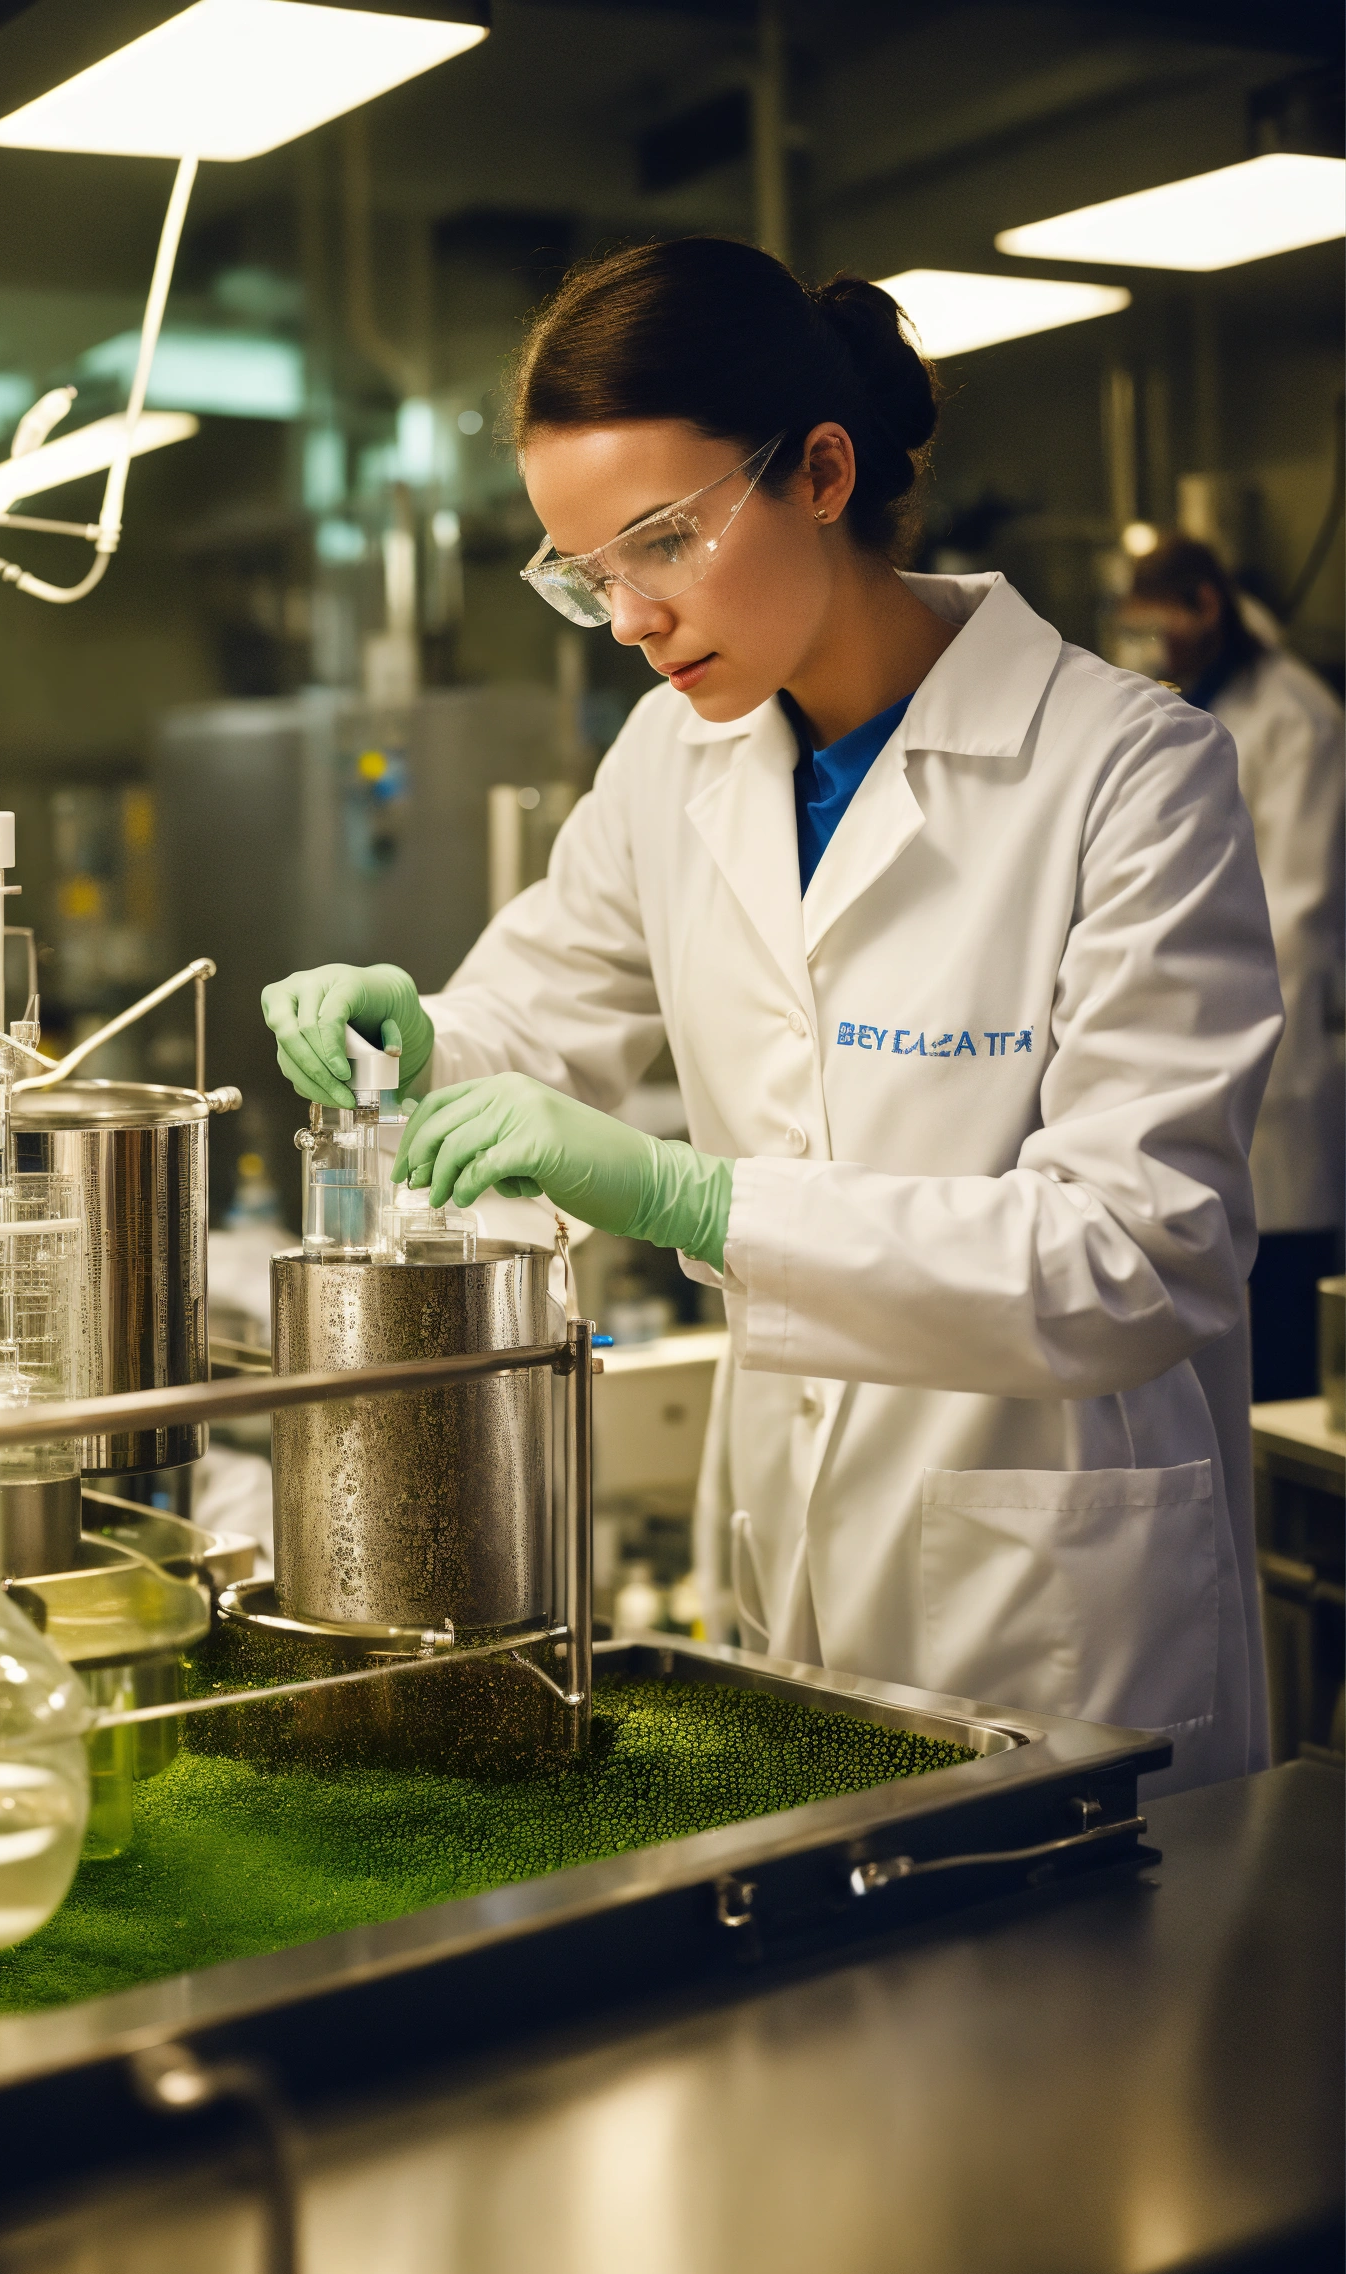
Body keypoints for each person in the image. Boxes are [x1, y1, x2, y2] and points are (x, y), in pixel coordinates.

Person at [263, 237, 1282, 1793]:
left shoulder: (1128, 773)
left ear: (820, 470)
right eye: (588, 574)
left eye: (661, 543)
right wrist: (422, 1040)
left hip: (1059, 1607)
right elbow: (535, 1013)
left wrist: (691, 1198)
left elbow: (1138, 1255)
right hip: (788, 1573)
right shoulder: (675, 762)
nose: (629, 620)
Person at [1121, 534, 1344, 1402]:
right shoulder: (1176, 703)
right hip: (1175, 1085)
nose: (1150, 647)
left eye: (1160, 626)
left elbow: (1294, 918)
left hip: (1274, 1094)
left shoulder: (1297, 718)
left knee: (1275, 1368)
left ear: (1206, 606)